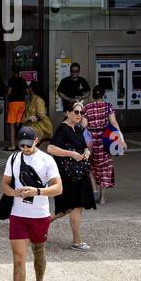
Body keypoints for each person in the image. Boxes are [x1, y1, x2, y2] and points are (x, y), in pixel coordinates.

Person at [1, 126, 62, 281]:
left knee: (38, 253)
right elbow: (5, 184)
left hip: (39, 214)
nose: (25, 149)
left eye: (28, 145)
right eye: (22, 145)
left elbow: (58, 188)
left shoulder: (47, 160)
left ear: (36, 140)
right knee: (18, 259)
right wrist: (14, 193)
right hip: (17, 214)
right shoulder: (13, 158)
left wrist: (37, 191)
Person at [48, 102, 96, 250]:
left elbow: (83, 147)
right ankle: (77, 241)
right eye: (76, 112)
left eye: (81, 113)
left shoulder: (76, 129)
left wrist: (86, 152)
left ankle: (39, 224)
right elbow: (51, 148)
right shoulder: (63, 129)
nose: (79, 115)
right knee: (75, 207)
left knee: (67, 209)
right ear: (67, 113)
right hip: (69, 175)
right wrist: (71, 154)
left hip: (78, 174)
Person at [83, 85, 121, 204]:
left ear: (93, 95)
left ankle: (94, 189)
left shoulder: (87, 107)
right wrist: (120, 139)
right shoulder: (108, 107)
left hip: (91, 140)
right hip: (105, 139)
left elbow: (84, 125)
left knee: (90, 165)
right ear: (103, 95)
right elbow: (114, 123)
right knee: (105, 167)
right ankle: (103, 198)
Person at [21, 79, 53, 144]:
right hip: (29, 125)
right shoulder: (29, 100)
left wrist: (32, 118)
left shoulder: (38, 100)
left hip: (39, 127)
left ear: (31, 89)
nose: (25, 90)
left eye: (28, 87)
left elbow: (41, 115)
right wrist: (27, 119)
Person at [5, 69, 28, 149]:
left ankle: (12, 145)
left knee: (12, 125)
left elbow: (9, 92)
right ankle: (20, 145)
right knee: (20, 125)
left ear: (12, 72)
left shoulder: (11, 80)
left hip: (13, 103)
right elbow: (27, 91)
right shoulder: (23, 80)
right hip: (22, 103)